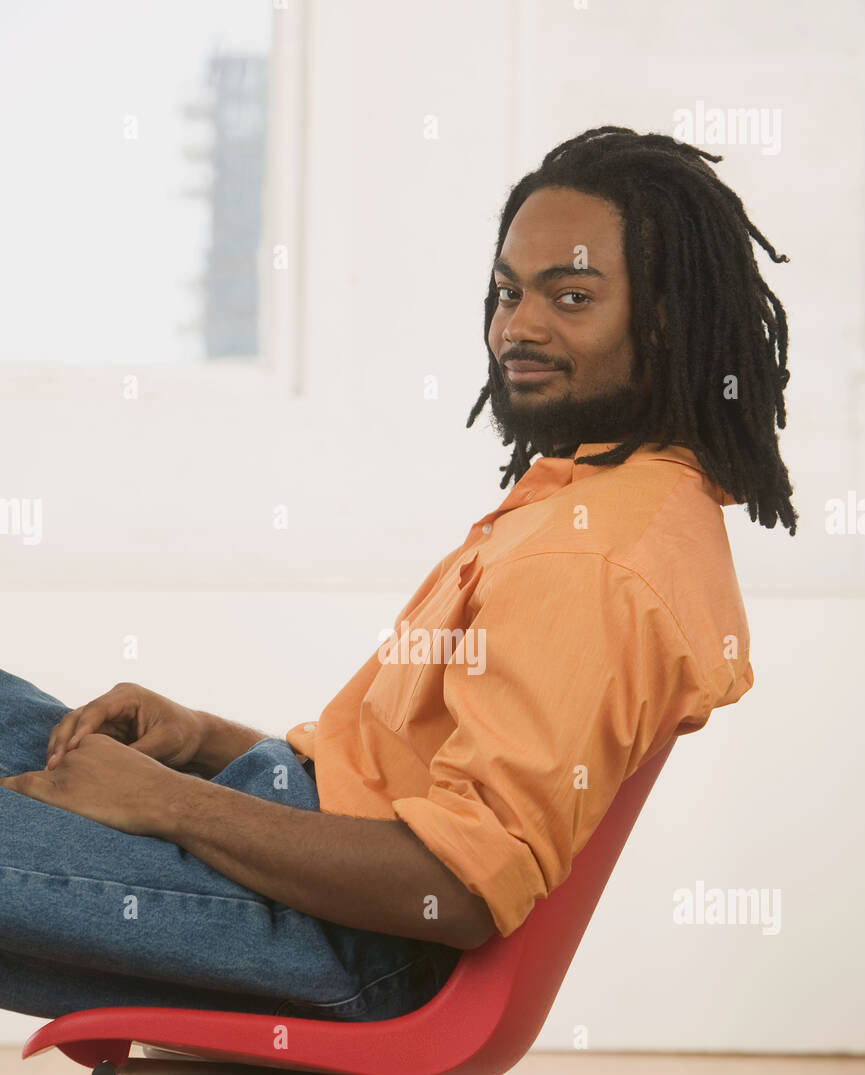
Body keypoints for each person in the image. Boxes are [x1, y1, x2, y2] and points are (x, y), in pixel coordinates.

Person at [0, 126, 796, 1024]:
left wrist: (173, 806)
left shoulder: (592, 559)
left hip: (343, 937)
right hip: (301, 852)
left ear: (666, 317)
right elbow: (397, 779)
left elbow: (451, 890)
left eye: (570, 297)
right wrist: (201, 741)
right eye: (507, 293)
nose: (517, 327)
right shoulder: (603, 495)